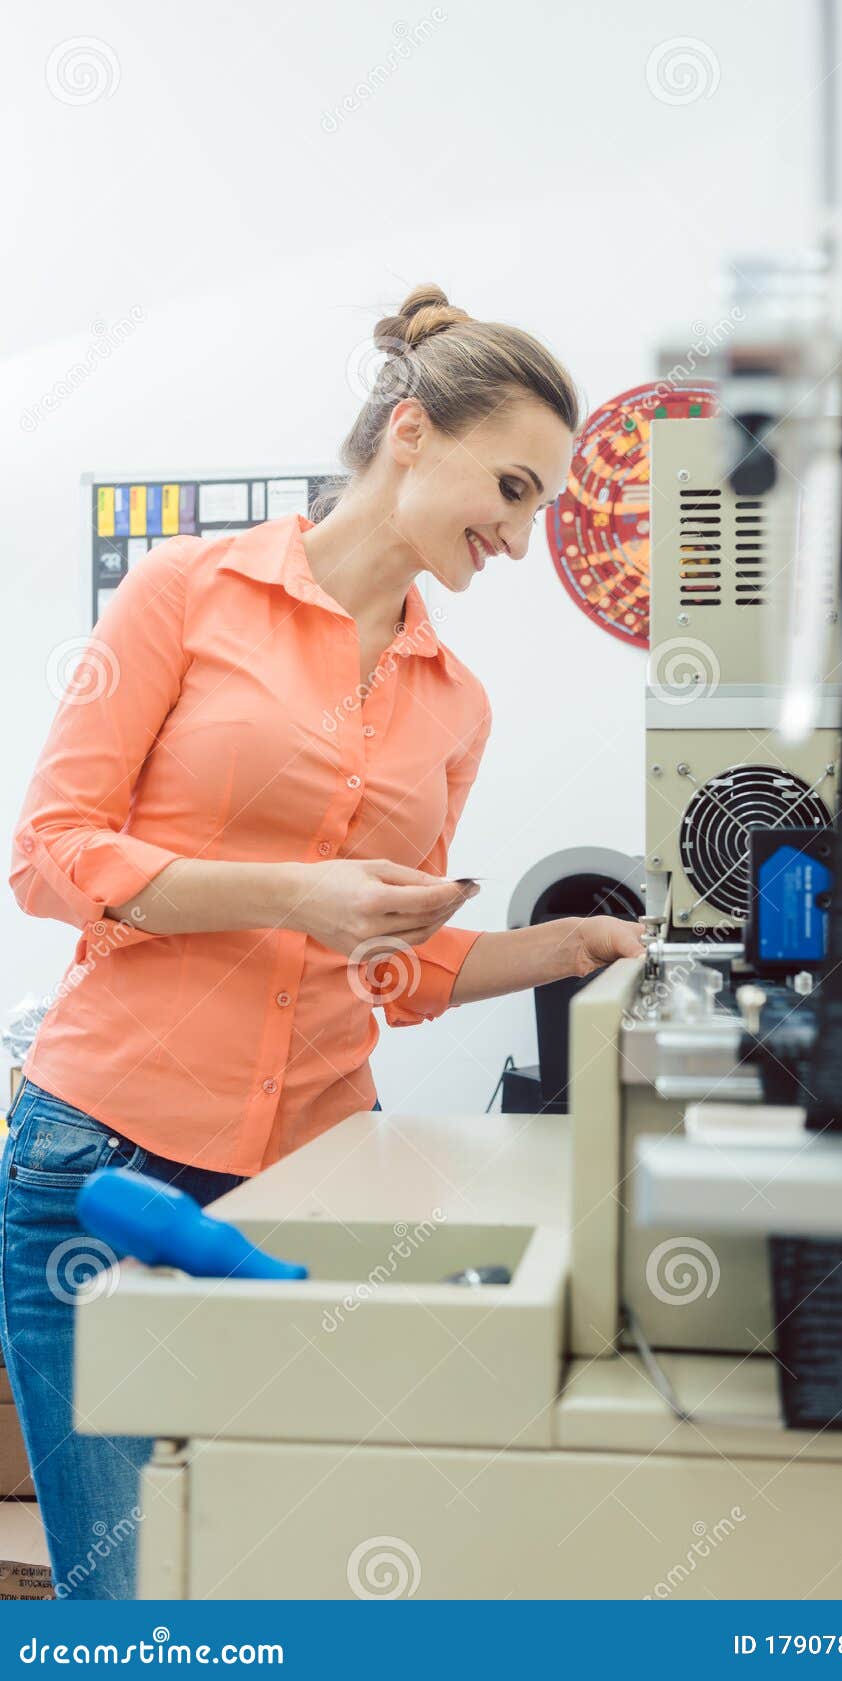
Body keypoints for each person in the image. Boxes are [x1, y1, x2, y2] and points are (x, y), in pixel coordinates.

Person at [0, 283, 644, 1598]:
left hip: (309, 1178)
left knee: (276, 1571)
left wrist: (565, 943)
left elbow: (392, 971)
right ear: (411, 432)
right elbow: (50, 856)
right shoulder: (188, 590)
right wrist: (296, 895)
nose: (522, 537)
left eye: (540, 508)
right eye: (512, 489)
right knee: (124, 1603)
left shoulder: (455, 702)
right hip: (100, 1159)